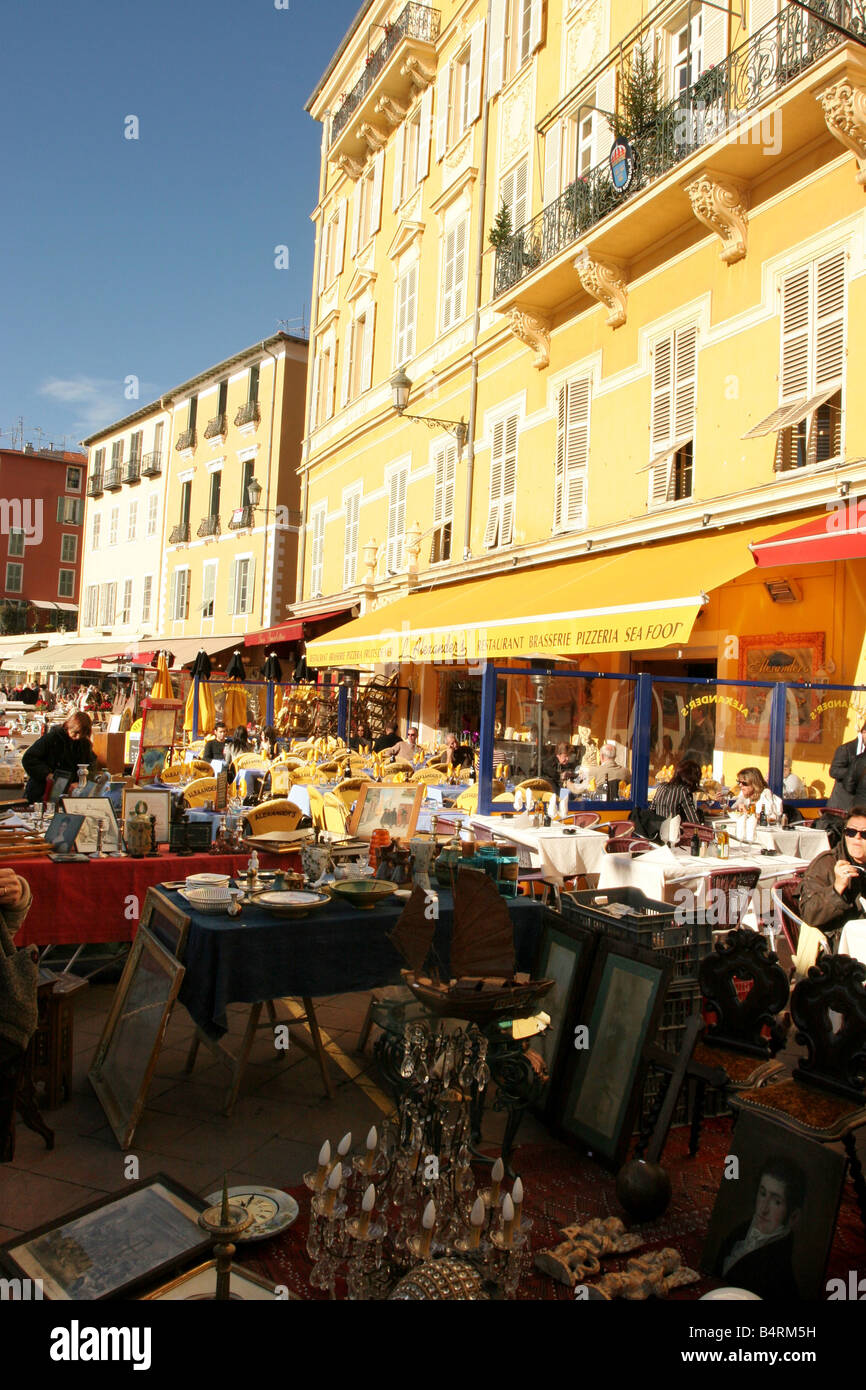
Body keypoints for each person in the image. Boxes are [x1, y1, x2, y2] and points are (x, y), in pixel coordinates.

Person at [713, 1156, 804, 1301]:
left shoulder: (780, 1276)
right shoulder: (739, 1233)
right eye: (762, 1194)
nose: (763, 1208)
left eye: (776, 1202)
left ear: (793, 1216)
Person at [800, 804, 866, 945]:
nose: (857, 838)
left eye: (864, 834)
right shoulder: (826, 863)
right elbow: (809, 914)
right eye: (851, 832)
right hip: (838, 944)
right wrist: (836, 888)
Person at [21, 712, 99, 804]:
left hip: (68, 795)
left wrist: (81, 782)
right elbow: (29, 759)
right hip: (42, 792)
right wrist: (47, 774)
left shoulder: (84, 744)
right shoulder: (51, 738)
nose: (78, 737)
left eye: (82, 734)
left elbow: (91, 766)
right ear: (68, 726)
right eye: (76, 732)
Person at [650, 758, 703, 827]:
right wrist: (701, 813)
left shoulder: (661, 787)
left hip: (657, 832)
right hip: (673, 834)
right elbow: (694, 821)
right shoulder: (683, 791)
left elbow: (651, 811)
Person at [827, 719, 866, 810]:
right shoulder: (846, 748)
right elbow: (834, 771)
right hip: (841, 803)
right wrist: (854, 771)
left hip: (857, 804)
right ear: (863, 733)